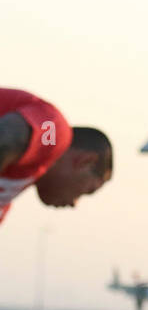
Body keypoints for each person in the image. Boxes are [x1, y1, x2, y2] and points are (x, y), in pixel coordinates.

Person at [0, 88, 112, 224]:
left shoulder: (7, 198)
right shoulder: (55, 135)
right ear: (86, 161)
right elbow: (6, 139)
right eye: (89, 191)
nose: (74, 204)